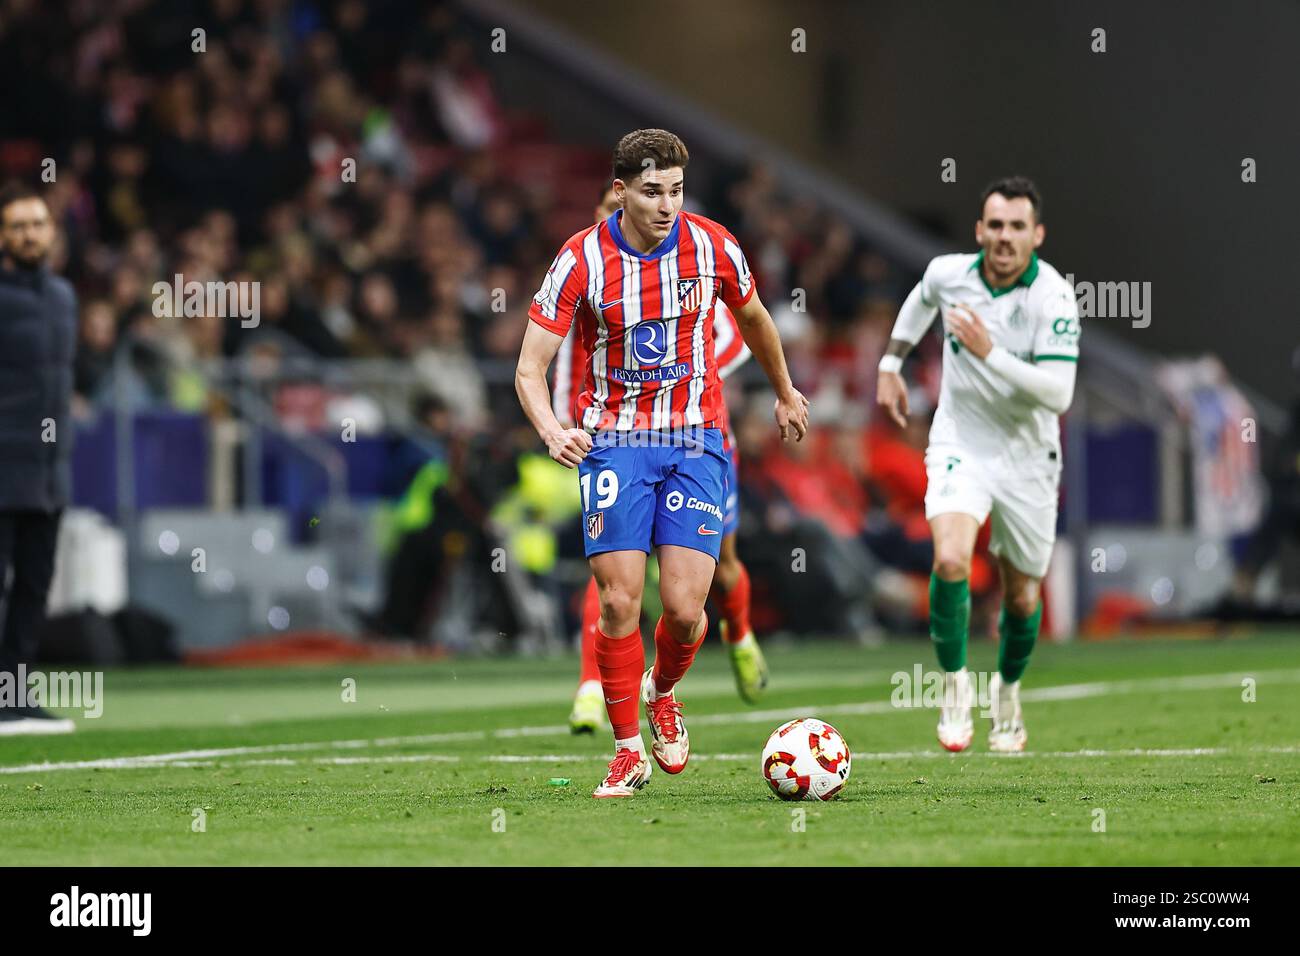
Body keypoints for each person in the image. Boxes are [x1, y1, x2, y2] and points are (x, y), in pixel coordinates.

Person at [515, 129, 808, 797]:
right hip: (615, 441)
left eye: (676, 191)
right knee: (620, 601)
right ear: (619, 192)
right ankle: (625, 753)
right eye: (652, 192)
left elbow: (757, 319)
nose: (667, 205)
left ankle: (663, 690)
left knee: (683, 611)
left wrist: (786, 392)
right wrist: (552, 430)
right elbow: (530, 369)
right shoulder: (580, 261)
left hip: (696, 438)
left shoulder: (713, 244)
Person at [876, 176, 1080, 753]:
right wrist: (892, 360)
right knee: (949, 558)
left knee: (1021, 598)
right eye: (995, 225)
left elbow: (1058, 394)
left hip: (1027, 456)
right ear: (979, 231)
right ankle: (954, 685)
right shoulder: (951, 274)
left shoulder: (1054, 298)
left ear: (1036, 235)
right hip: (960, 441)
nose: (1005, 237)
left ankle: (1008, 693)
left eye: (1018, 227)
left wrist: (991, 353)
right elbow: (922, 297)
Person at [558, 180, 768, 735]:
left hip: (699, 437)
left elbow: (736, 334)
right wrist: (565, 433)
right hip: (616, 441)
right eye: (606, 211)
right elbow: (560, 375)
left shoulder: (696, 260)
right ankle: (592, 691)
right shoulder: (587, 272)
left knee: (712, 576)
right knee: (615, 587)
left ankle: (739, 632)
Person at [0, 182, 78, 735]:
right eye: (17, 225)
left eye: (36, 223)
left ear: (52, 232)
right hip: (3, 466)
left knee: (32, 589)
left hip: (50, 474)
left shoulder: (64, 298)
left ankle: (16, 697)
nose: (29, 234)